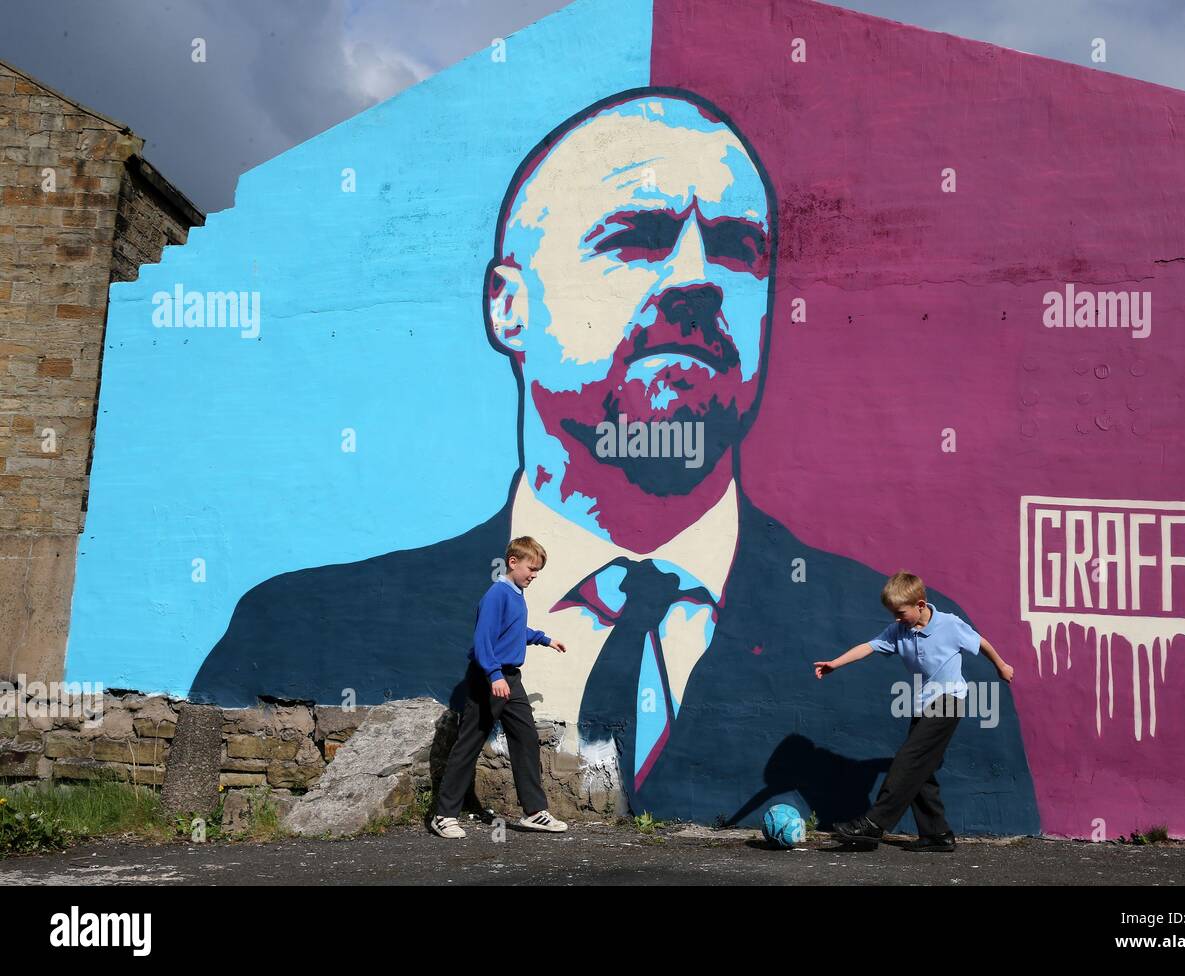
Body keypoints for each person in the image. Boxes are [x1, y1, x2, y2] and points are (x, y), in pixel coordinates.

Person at [189, 88, 1039, 834]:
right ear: (508, 306)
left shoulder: (912, 645)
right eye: (638, 236)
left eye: (740, 251)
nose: (698, 279)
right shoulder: (297, 629)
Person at [814, 572, 1016, 852]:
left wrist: (1001, 666)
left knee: (909, 760)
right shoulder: (899, 631)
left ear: (920, 604)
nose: (896, 619)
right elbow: (869, 647)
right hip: (923, 704)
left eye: (901, 613)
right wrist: (835, 663)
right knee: (922, 770)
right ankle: (937, 835)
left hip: (949, 701)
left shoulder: (949, 624)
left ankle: (874, 823)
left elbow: (980, 642)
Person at [429, 536, 569, 838]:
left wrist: (544, 639)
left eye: (538, 571)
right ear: (513, 562)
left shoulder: (516, 593)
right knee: (469, 744)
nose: (534, 575)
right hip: (488, 678)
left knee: (526, 738)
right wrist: (493, 675)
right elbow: (482, 641)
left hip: (510, 679)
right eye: (531, 568)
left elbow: (514, 630)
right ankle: (443, 815)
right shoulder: (497, 594)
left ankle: (534, 811)